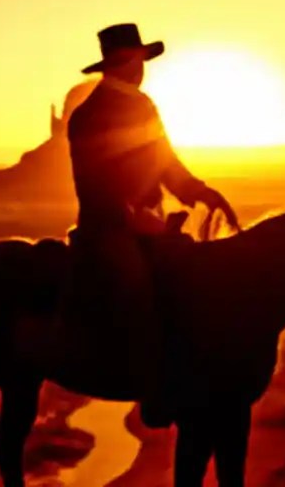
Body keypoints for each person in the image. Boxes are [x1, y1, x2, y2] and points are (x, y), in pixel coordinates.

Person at [66, 23, 239, 428]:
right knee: (135, 283)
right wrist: (129, 217)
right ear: (123, 62)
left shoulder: (145, 107)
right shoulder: (89, 116)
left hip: (150, 224)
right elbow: (92, 181)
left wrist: (201, 192)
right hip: (106, 227)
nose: (143, 68)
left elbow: (167, 165)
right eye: (138, 60)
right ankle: (148, 384)